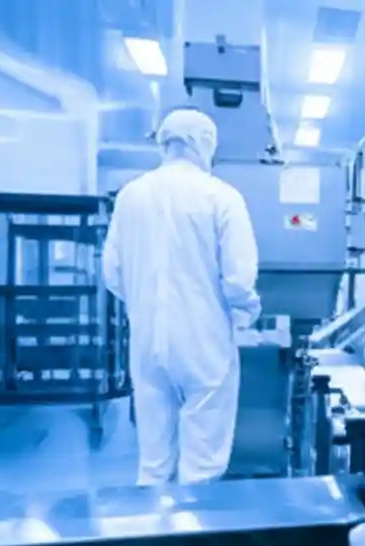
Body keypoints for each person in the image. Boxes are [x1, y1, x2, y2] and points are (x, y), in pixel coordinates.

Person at [102, 108, 261, 485]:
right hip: (204, 340)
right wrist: (247, 313)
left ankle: (151, 521)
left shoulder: (131, 196)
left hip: (146, 342)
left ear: (165, 142)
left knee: (154, 461)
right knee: (202, 462)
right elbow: (238, 279)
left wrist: (144, 304)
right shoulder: (221, 196)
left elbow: (112, 273)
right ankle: (193, 521)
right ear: (206, 143)